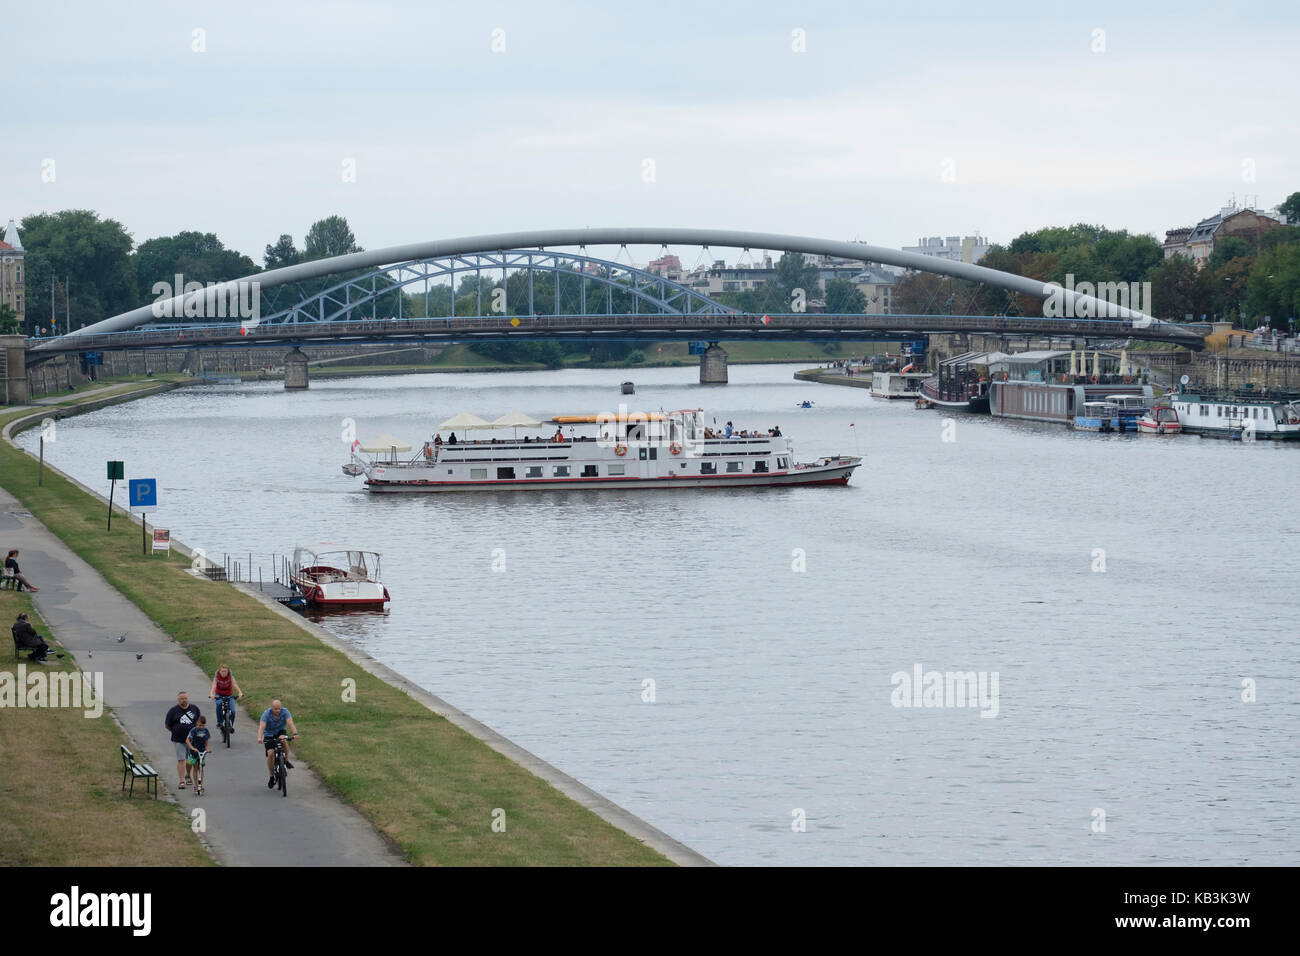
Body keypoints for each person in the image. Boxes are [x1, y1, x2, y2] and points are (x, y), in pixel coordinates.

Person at [258, 699, 300, 789]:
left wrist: (295, 733)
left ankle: (286, 760)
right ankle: (272, 776)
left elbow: (290, 723)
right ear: (271, 708)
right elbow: (262, 726)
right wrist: (259, 737)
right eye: (275, 709)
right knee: (270, 754)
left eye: (279, 709)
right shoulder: (266, 714)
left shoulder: (285, 712)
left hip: (280, 731)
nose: (278, 711)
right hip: (269, 733)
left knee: (283, 740)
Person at [164, 692, 202, 790]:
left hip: (192, 740)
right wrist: (176, 731)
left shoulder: (194, 709)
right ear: (178, 700)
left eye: (185, 698)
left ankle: (188, 775)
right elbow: (168, 725)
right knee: (181, 759)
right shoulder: (173, 711)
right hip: (178, 740)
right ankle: (181, 781)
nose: (184, 700)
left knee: (190, 760)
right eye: (181, 699)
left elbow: (199, 722)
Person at [208, 664, 244, 730]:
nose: (224, 673)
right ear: (219, 671)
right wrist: (212, 694)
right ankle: (219, 722)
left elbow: (235, 684)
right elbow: (214, 686)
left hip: (229, 695)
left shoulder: (230, 677)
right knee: (219, 704)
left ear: (228, 672)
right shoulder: (217, 677)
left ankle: (230, 726)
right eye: (222, 671)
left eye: (225, 671)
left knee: (233, 711)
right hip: (219, 695)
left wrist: (240, 692)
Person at [186, 716, 212, 788]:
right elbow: (187, 740)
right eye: (200, 725)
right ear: (197, 723)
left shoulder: (205, 731)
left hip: (202, 752)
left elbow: (206, 740)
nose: (201, 727)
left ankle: (201, 784)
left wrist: (207, 748)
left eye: (203, 725)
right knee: (195, 767)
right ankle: (196, 785)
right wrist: (192, 748)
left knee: (201, 768)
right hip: (194, 752)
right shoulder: (193, 730)